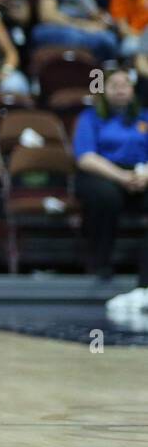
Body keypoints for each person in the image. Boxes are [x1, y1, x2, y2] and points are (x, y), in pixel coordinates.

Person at [73, 68, 148, 285]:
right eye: (114, 85)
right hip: (102, 172)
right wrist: (122, 177)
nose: (120, 90)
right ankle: (101, 262)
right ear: (103, 90)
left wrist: (143, 176)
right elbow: (86, 157)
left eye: (125, 85)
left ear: (132, 90)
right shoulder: (90, 117)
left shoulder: (144, 117)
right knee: (105, 197)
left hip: (140, 172)